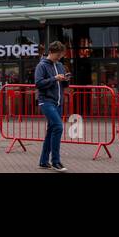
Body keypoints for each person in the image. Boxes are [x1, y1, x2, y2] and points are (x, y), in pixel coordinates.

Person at [33, 41, 71, 171]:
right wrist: (54, 78)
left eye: (61, 55)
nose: (59, 57)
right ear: (51, 52)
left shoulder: (60, 65)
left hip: (58, 102)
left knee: (51, 131)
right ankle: (56, 161)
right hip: (46, 101)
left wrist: (65, 80)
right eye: (58, 55)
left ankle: (43, 161)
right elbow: (38, 83)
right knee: (58, 127)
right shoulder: (41, 66)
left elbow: (63, 85)